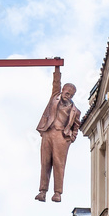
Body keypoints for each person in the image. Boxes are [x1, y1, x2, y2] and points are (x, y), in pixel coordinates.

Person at [35, 70, 81, 202]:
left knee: (59, 164)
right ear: (62, 91)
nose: (68, 96)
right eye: (67, 93)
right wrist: (57, 68)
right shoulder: (54, 98)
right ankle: (42, 192)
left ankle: (57, 193)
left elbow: (76, 126)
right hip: (48, 133)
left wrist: (71, 138)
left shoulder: (75, 111)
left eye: (71, 95)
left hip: (62, 137)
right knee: (45, 162)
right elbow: (56, 83)